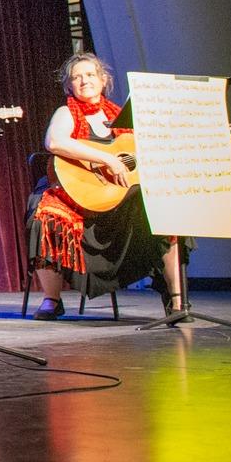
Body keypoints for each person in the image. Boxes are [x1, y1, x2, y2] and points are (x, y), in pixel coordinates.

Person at [27, 52, 184, 319]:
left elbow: (149, 150)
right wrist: (107, 159)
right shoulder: (66, 112)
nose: (84, 81)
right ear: (69, 86)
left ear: (103, 80)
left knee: (165, 210)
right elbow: (54, 142)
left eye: (90, 75)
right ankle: (52, 299)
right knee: (43, 214)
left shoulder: (123, 117)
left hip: (119, 202)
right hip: (78, 199)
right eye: (76, 77)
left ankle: (177, 300)